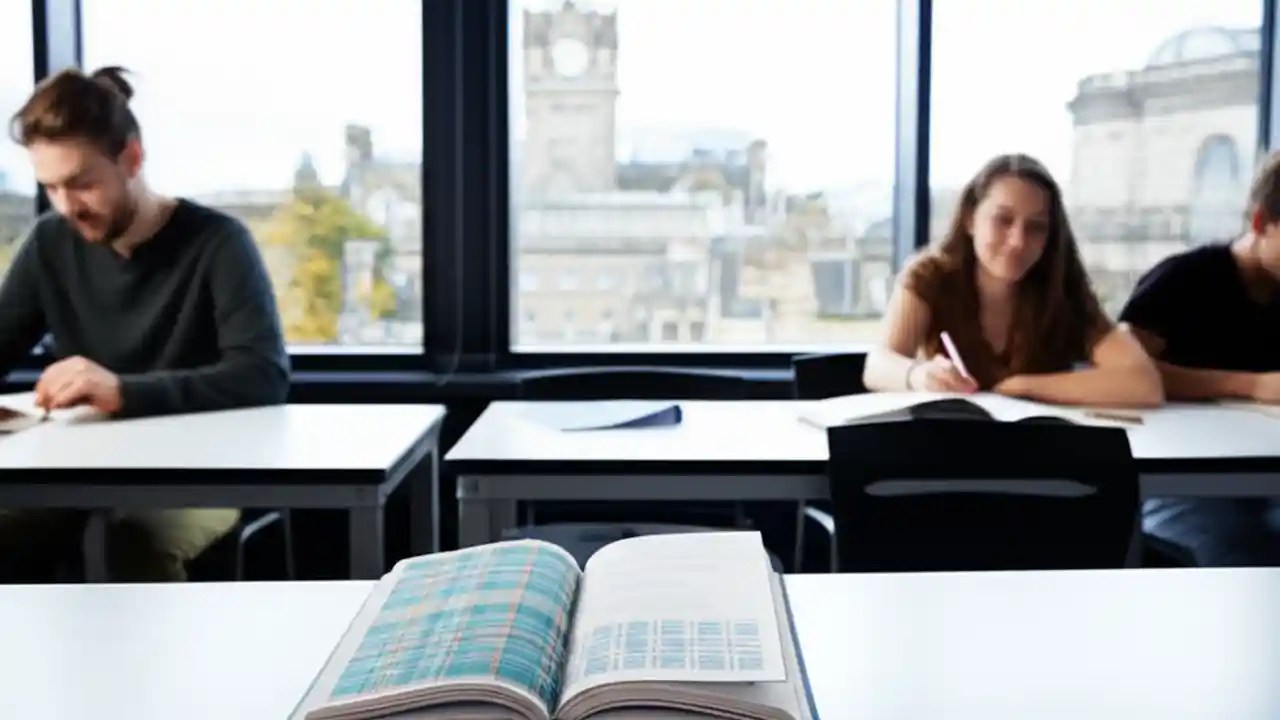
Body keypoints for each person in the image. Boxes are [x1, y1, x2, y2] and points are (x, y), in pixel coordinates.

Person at [0, 66, 290, 581]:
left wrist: (122, 392)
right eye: (51, 188)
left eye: (82, 184)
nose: (68, 206)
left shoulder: (218, 243)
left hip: (203, 471)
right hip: (75, 470)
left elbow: (262, 374)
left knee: (133, 543)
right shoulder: (50, 243)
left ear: (132, 157)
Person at [863, 153, 1163, 408]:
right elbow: (877, 367)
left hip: (1037, 455)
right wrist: (918, 375)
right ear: (970, 219)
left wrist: (1023, 386)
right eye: (1003, 220)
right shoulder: (930, 276)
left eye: (1036, 227)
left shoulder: (1061, 289)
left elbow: (1143, 384)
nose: (1018, 241)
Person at [1118, 151, 1280, 567]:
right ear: (1261, 222)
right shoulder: (1184, 279)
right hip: (1182, 480)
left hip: (1267, 473)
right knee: (1245, 554)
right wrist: (1252, 385)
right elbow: (1124, 371)